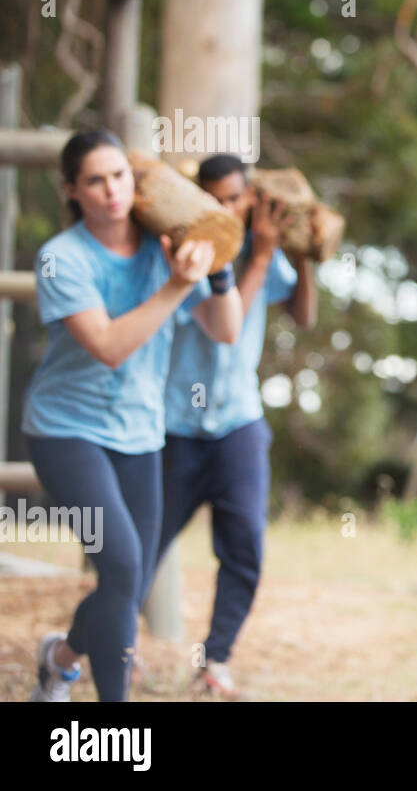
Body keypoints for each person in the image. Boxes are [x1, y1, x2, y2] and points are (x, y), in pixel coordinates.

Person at [26, 130, 242, 702]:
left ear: (134, 178)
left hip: (140, 434)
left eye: (119, 175)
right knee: (121, 565)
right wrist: (177, 285)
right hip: (66, 431)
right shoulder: (59, 258)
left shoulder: (161, 245)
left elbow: (226, 330)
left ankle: (60, 659)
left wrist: (217, 267)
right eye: (94, 180)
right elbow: (108, 345)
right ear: (73, 190)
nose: (110, 190)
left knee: (130, 580)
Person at [152, 153, 317, 698]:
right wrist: (264, 257)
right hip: (178, 423)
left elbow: (304, 315)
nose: (227, 207)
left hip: (240, 422)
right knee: (144, 543)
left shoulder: (258, 250)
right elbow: (230, 323)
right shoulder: (190, 253)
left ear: (251, 198)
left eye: (235, 197)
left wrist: (304, 249)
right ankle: (115, 645)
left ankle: (214, 662)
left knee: (243, 547)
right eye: (216, 197)